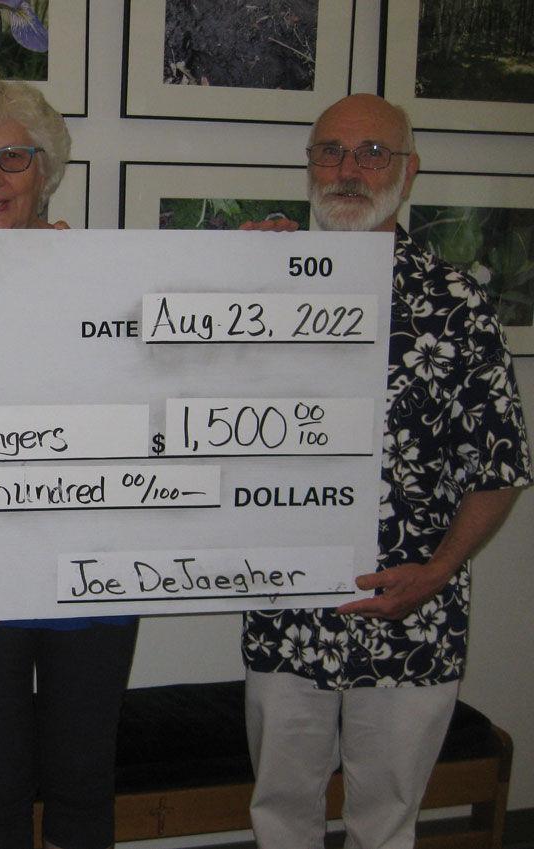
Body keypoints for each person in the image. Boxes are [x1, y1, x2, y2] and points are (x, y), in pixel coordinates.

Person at [240, 94, 530, 849]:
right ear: (308, 166)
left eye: (372, 153)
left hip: (416, 609)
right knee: (279, 810)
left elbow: (498, 465)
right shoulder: (260, 289)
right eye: (329, 151)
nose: (347, 170)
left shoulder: (457, 305)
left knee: (387, 821)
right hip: (286, 608)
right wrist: (232, 270)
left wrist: (437, 571)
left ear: (408, 170)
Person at [0, 79, 139, 849]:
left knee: (83, 787)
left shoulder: (110, 276)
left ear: (45, 170)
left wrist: (269, 260)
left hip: (92, 574)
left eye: (13, 157)